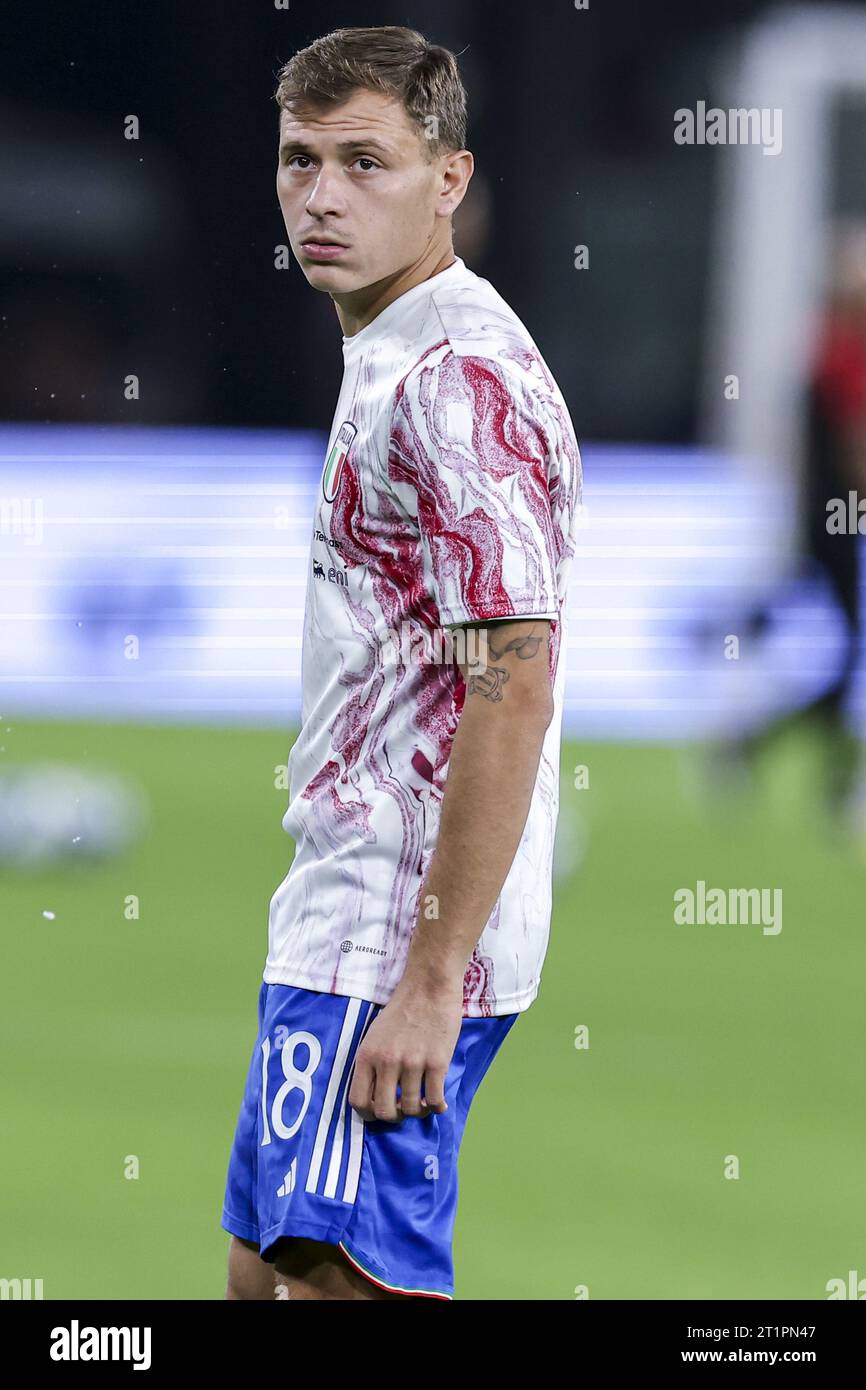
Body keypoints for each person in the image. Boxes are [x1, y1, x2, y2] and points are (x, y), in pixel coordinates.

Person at [221, 24, 582, 1301]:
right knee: (266, 1279)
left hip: (394, 931)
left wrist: (429, 983)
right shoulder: (388, 349)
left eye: (363, 162)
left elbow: (513, 679)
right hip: (340, 906)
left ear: (449, 179)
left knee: (333, 1283)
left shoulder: (451, 379)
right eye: (298, 160)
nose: (319, 195)